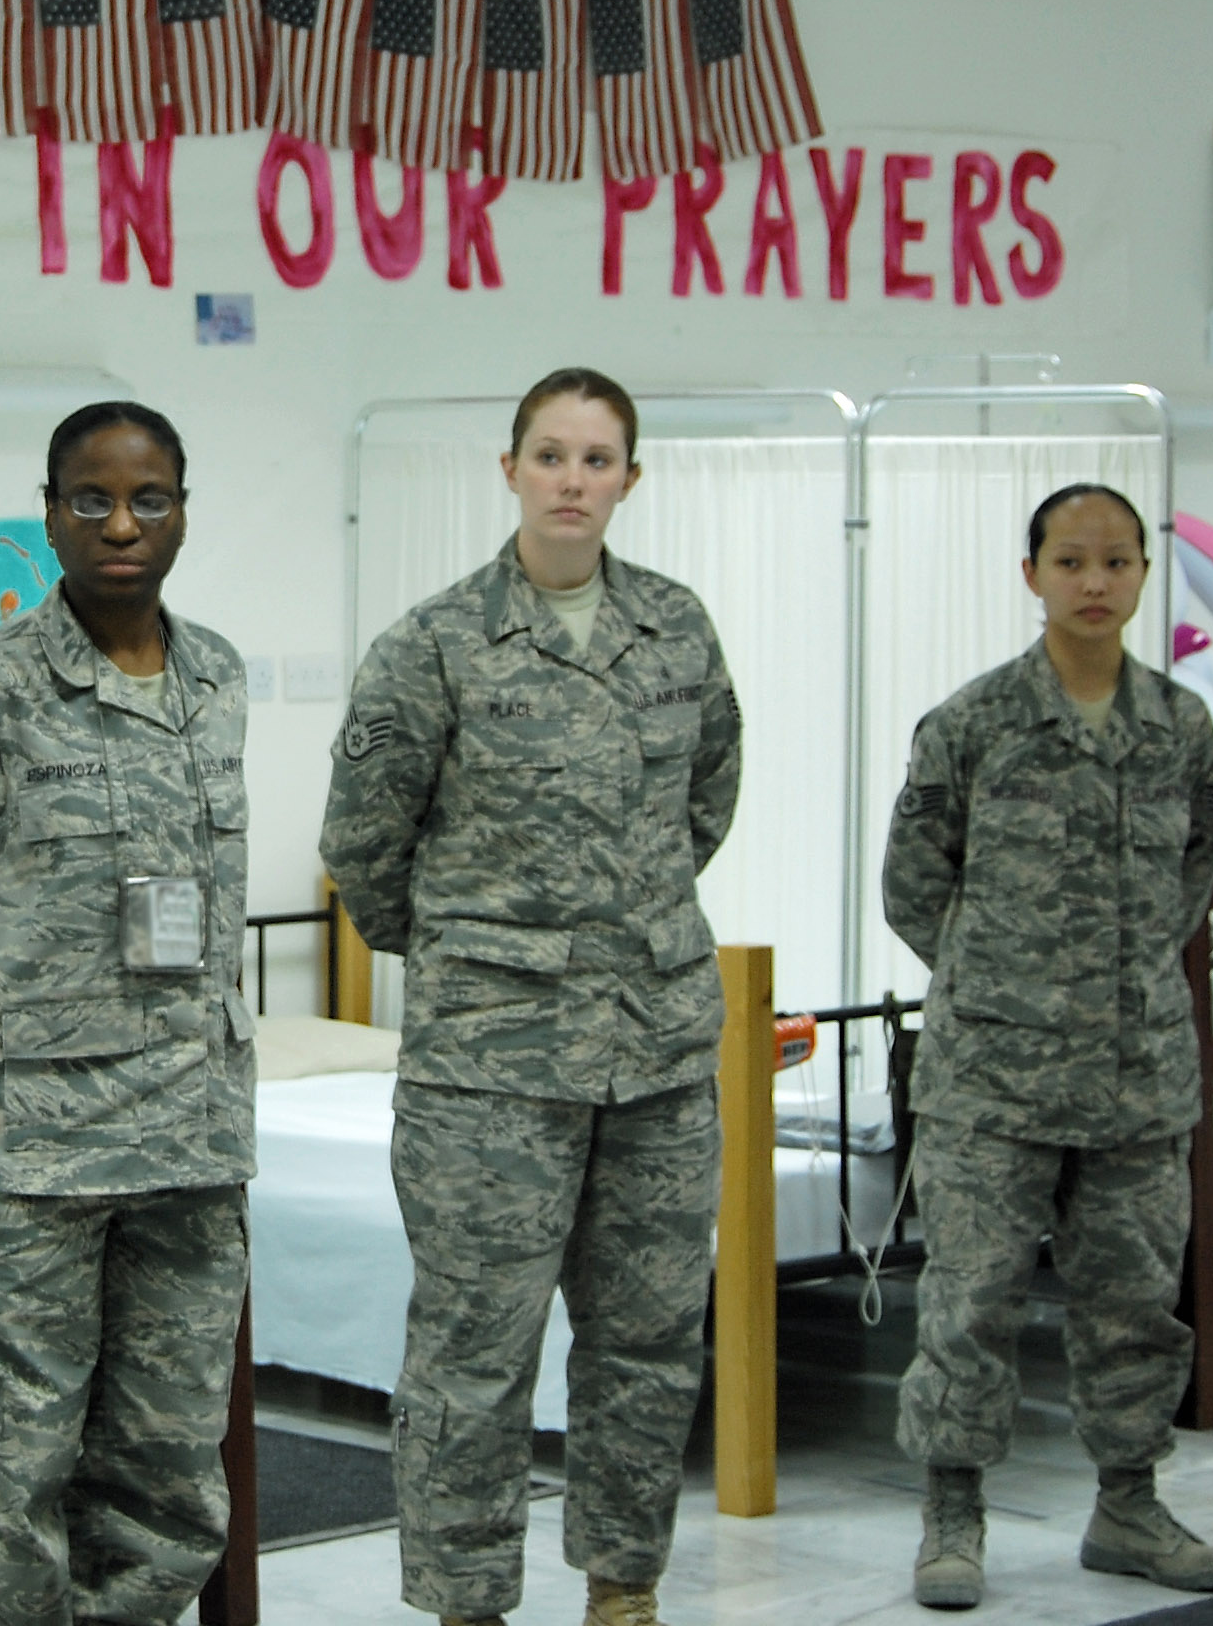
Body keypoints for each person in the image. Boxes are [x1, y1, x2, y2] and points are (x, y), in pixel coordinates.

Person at [318, 368, 740, 1626]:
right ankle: (464, 1605)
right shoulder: (432, 644)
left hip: (656, 1057)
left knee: (650, 1346)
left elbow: (702, 803)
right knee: (472, 1356)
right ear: (506, 470)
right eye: (549, 456)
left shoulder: (675, 628)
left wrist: (624, 931)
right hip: (488, 1070)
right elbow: (363, 849)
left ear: (627, 479)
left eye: (596, 459)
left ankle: (623, 1590)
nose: (571, 481)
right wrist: (481, 963)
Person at [0, 401, 252, 1626]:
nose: (121, 524)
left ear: (183, 510)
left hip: (186, 1145)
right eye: (90, 499)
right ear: (49, 515)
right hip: (18, 1162)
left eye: (149, 499)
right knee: (10, 1489)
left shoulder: (218, 676)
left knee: (170, 1485)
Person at [883, 483, 1213, 1611]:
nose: (1094, 583)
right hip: (992, 1081)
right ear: (1028, 575)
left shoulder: (1179, 726)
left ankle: (1126, 1505)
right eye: (1070, 562)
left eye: (1117, 563)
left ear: (1141, 576)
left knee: (1135, 1301)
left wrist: (1112, 988)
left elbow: (1190, 876)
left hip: (1137, 1079)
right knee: (970, 1302)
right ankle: (951, 1514)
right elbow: (910, 886)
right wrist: (1006, 983)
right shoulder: (971, 724)